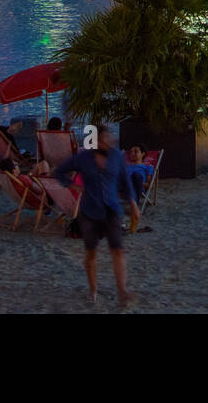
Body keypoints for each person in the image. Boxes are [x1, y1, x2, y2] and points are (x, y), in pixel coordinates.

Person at [52, 125, 141, 306]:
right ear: (96, 141)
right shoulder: (83, 158)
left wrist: (133, 203)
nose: (108, 142)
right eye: (104, 139)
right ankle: (93, 291)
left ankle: (122, 292)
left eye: (109, 138)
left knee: (117, 250)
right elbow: (58, 172)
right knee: (91, 253)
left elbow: (125, 181)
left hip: (111, 210)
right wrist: (73, 186)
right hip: (90, 212)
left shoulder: (116, 156)